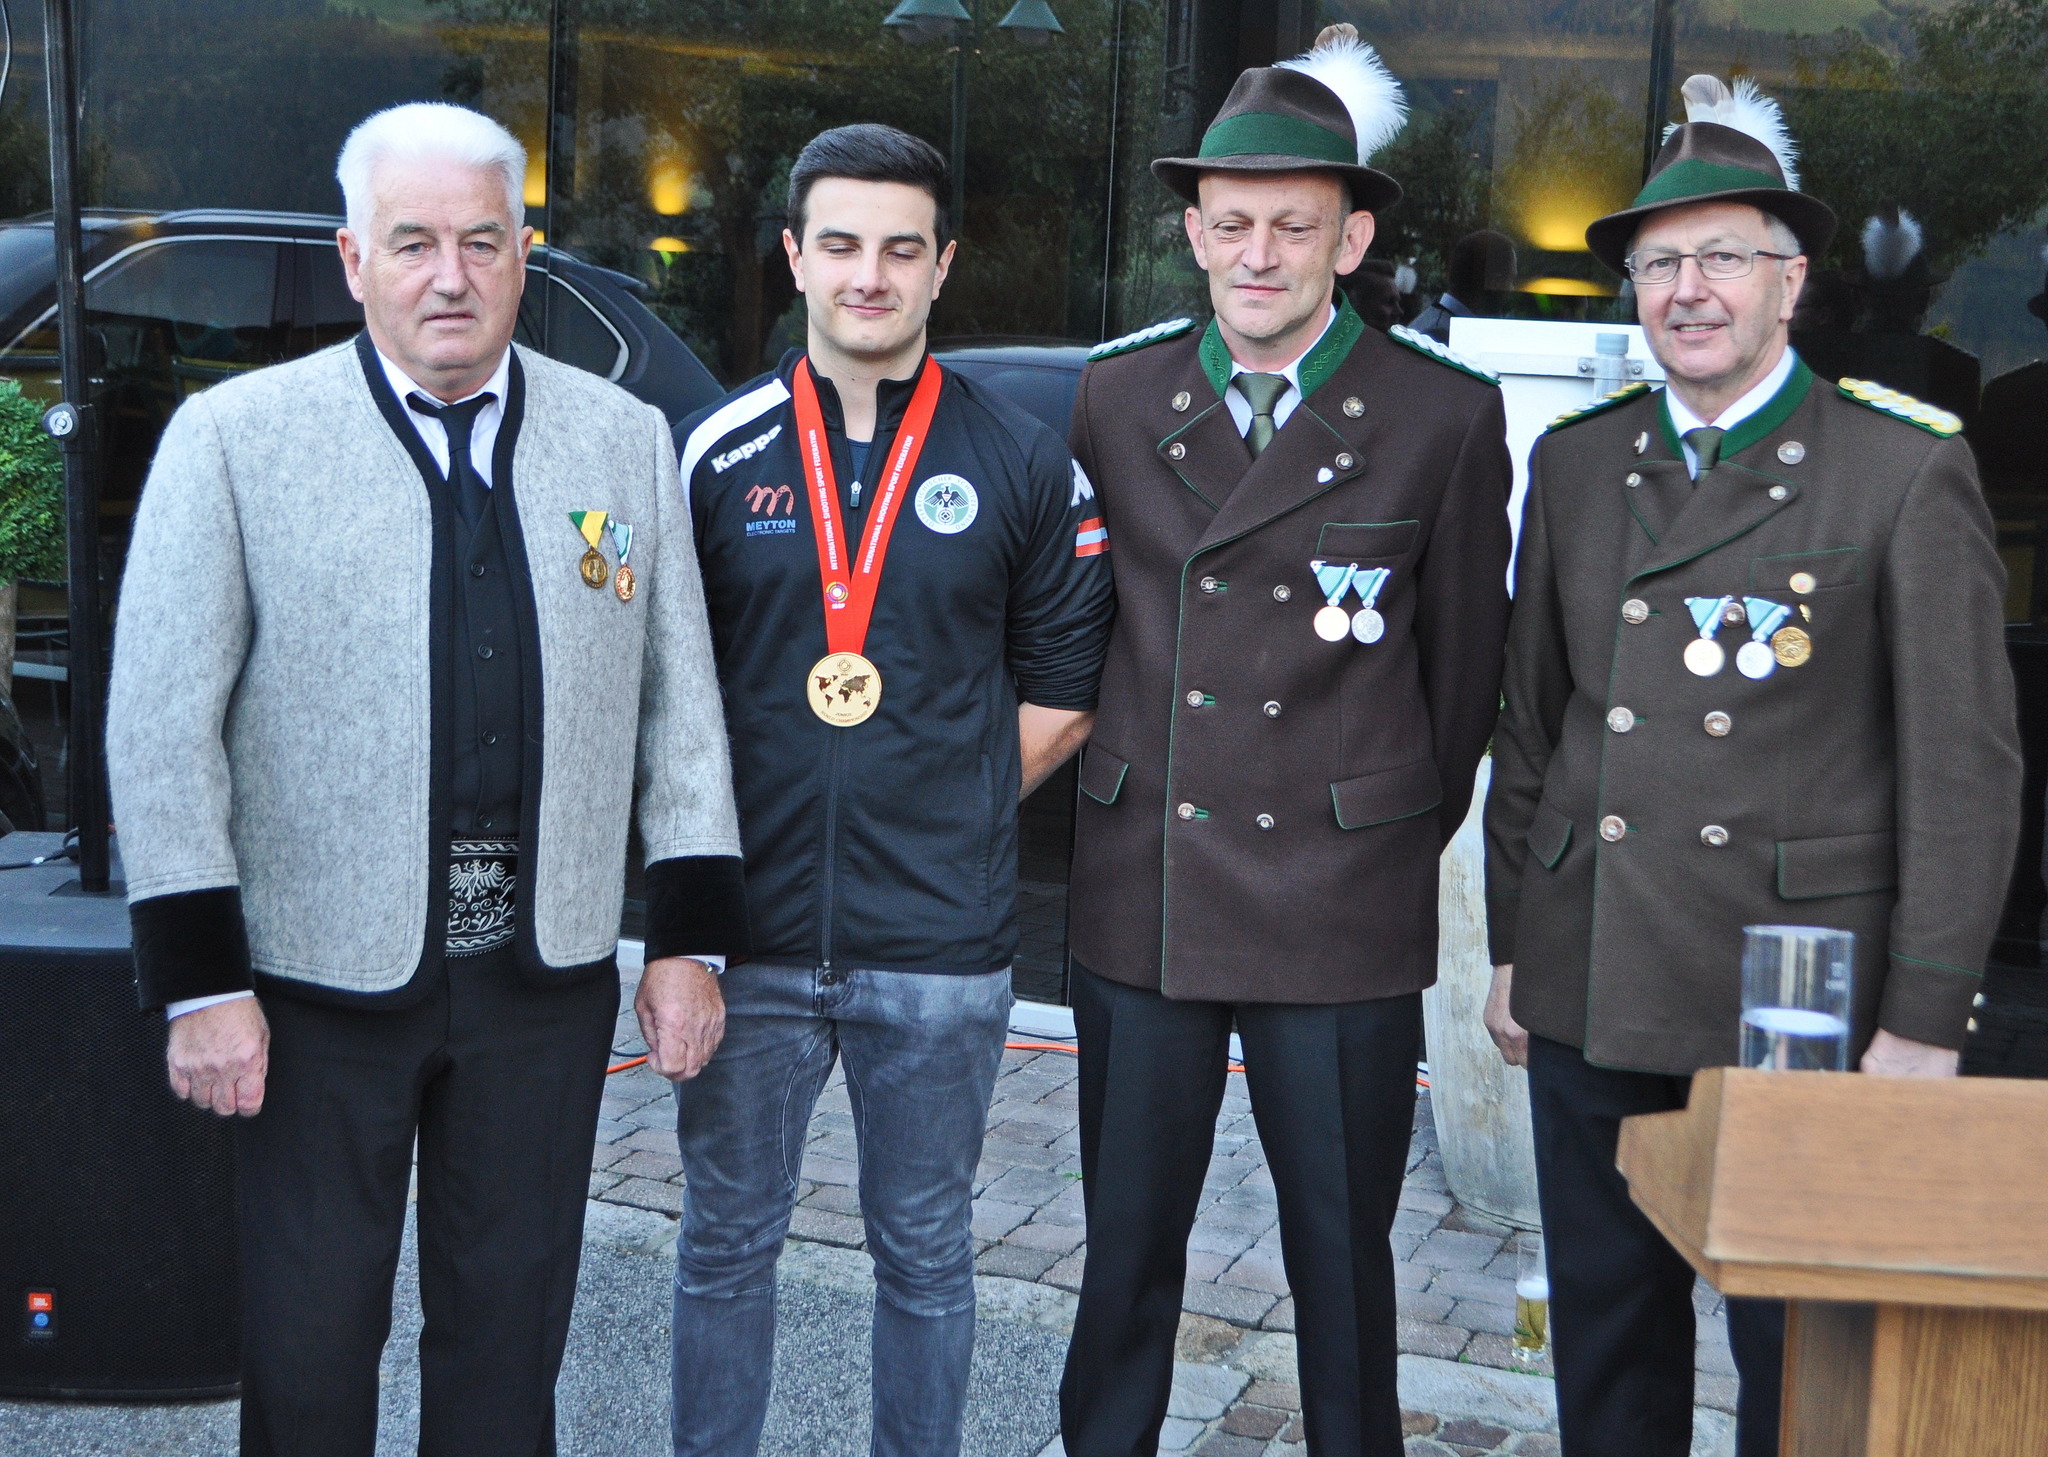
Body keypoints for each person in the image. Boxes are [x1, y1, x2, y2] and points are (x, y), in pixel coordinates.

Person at [103, 102, 747, 1456]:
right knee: (309, 1339)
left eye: (480, 241)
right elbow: (160, 726)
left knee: (510, 1342)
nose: (448, 275)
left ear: (524, 252)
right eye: (412, 244)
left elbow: (678, 705)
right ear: (353, 260)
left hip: (543, 981)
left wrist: (688, 940)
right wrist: (202, 982)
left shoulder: (622, 442)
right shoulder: (233, 440)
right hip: (312, 985)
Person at [1482, 74, 2023, 1457]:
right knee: (1607, 1343)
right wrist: (1512, 944)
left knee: (1802, 1367)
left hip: (1797, 998)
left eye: (1723, 256)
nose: (1688, 289)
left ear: (1790, 279)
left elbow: (1963, 770)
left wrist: (1926, 1019)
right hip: (1597, 965)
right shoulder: (1582, 463)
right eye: (1660, 263)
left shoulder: (1897, 471)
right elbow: (1534, 719)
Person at [1057, 26, 1513, 1457]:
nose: (1260, 254)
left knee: (1342, 1260)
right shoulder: (1115, 395)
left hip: (1341, 902)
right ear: (1195, 232)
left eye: (1295, 226)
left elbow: (1465, 680)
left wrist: (1366, 824)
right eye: (1234, 224)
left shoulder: (1441, 413)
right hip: (1153, 885)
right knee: (1126, 1248)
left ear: (1353, 237)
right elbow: (1077, 626)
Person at [668, 123, 1113, 1457]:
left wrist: (955, 806)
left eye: (901, 249)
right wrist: (681, 921)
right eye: (843, 244)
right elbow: (666, 699)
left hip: (939, 941)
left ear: (943, 267)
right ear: (796, 256)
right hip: (744, 933)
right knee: (722, 1240)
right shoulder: (715, 452)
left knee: (925, 1253)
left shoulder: (1024, 460)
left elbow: (1068, 680)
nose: (871, 275)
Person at [1410, 229, 1517, 342]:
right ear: (1494, 282)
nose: (1512, 289)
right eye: (1512, 280)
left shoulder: (1440, 325)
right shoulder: (1441, 336)